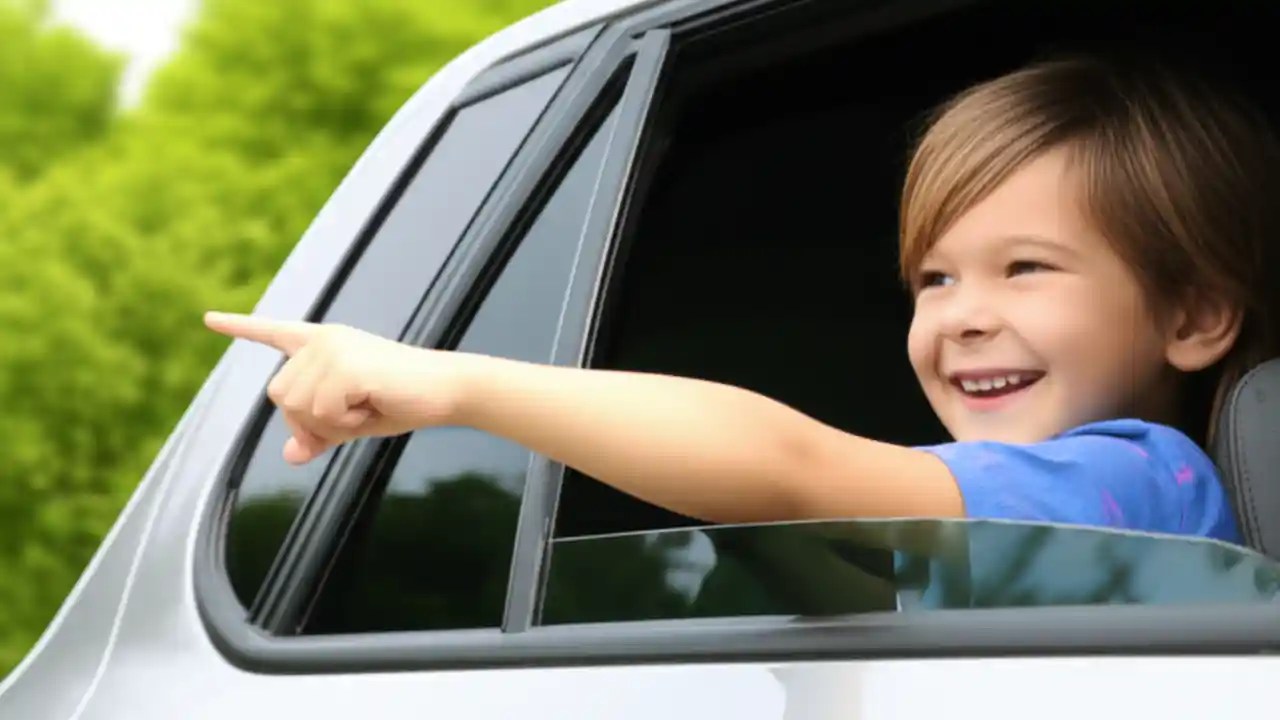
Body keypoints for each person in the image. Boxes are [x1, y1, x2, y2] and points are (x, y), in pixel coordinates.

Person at [205, 54, 1280, 544]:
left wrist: (445, 381)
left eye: (1026, 268)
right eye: (932, 278)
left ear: (1192, 318)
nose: (958, 315)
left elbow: (786, 469)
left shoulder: (1146, 485)